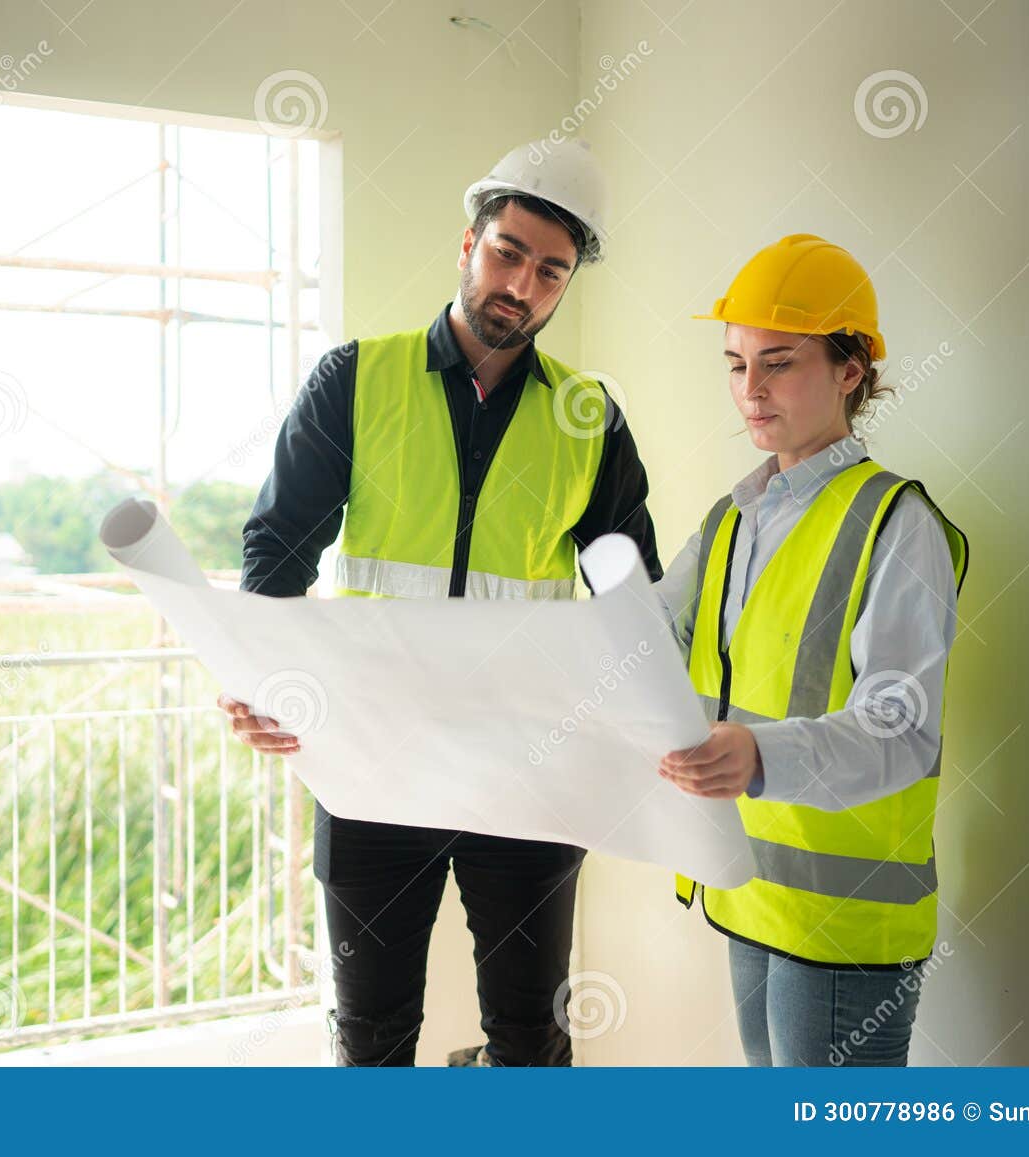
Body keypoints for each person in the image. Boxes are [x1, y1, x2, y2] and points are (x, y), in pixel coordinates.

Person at [220, 138, 662, 1066]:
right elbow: (278, 548)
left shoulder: (590, 418)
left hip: (529, 766)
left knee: (531, 1034)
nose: (523, 283)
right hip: (375, 765)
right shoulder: (357, 379)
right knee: (374, 1034)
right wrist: (262, 677)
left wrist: (650, 721)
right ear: (468, 244)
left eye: (551, 270)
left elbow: (632, 591)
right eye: (509, 251)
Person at [654, 234, 969, 1067]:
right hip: (748, 885)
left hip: (845, 916)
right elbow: (642, 641)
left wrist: (756, 753)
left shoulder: (896, 526)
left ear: (850, 370)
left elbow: (901, 731)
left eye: (778, 363)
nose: (748, 392)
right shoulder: (731, 519)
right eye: (734, 363)